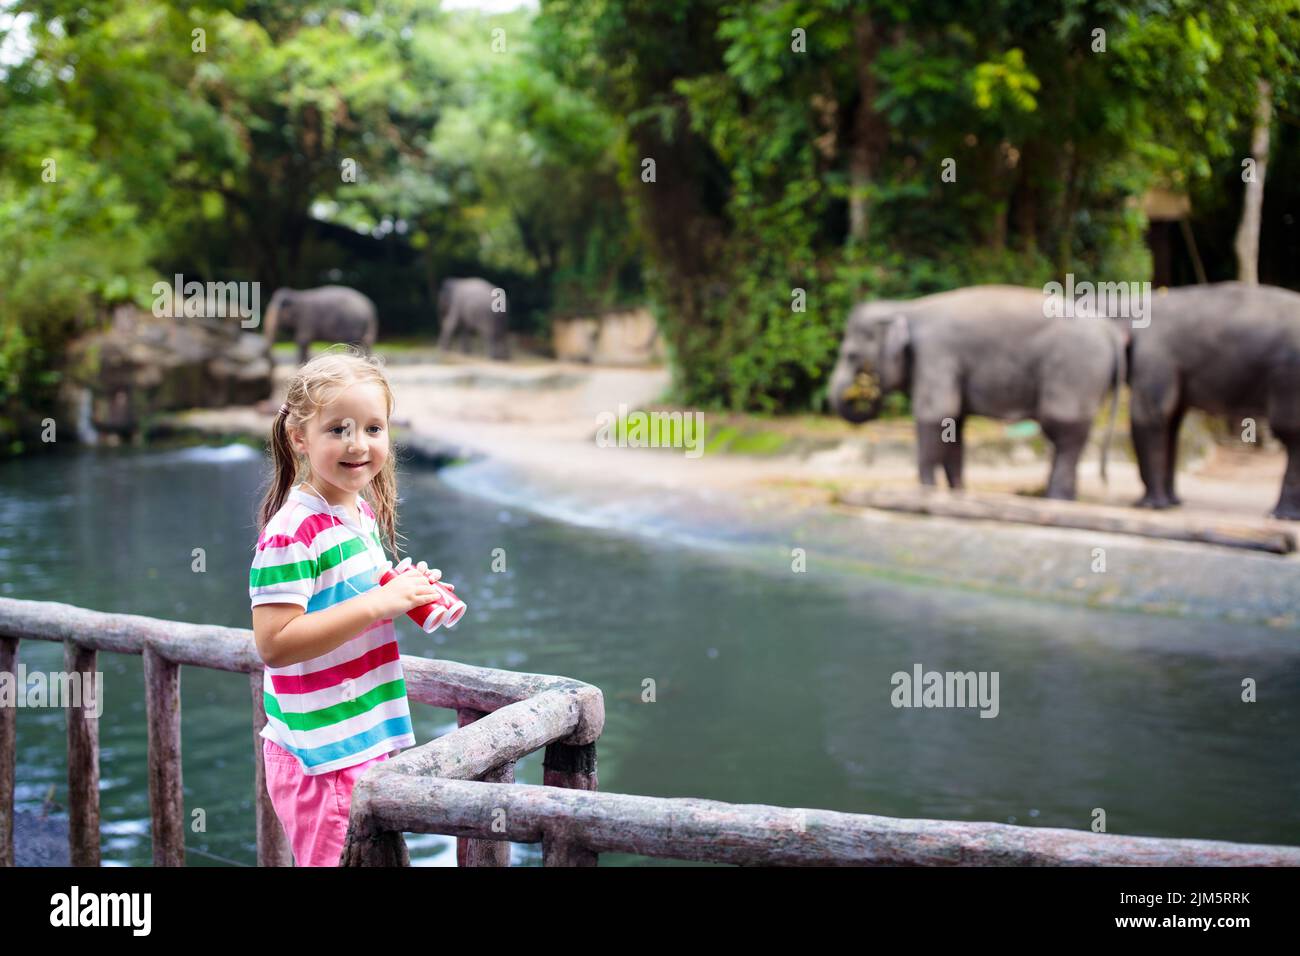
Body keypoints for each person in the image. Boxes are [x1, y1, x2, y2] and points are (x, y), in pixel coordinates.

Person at [248, 347, 449, 866]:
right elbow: (274, 643)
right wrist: (380, 602)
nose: (358, 444)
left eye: (373, 429)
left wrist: (402, 586)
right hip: (323, 758)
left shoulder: (358, 512)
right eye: (338, 429)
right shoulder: (292, 532)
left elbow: (350, 593)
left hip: (360, 740)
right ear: (299, 437)